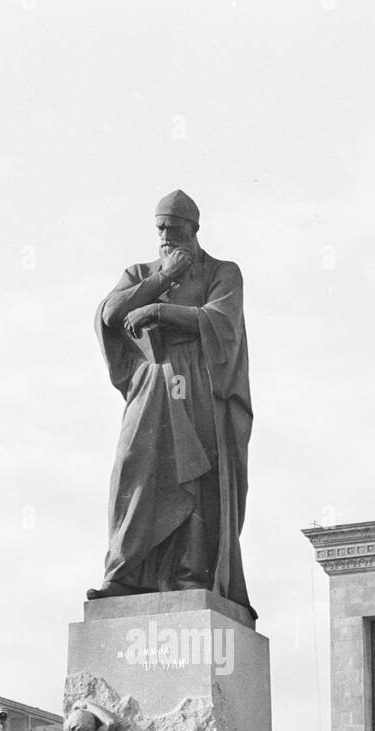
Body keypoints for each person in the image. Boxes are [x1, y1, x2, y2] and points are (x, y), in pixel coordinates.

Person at [88, 190, 255, 617]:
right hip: (151, 379)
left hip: (196, 379)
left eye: (174, 227)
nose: (165, 234)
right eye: (159, 227)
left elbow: (221, 322)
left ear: (193, 229)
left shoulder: (222, 272)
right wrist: (161, 281)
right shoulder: (141, 272)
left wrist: (159, 313)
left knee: (193, 471)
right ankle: (125, 572)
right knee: (134, 466)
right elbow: (111, 314)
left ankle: (190, 572)